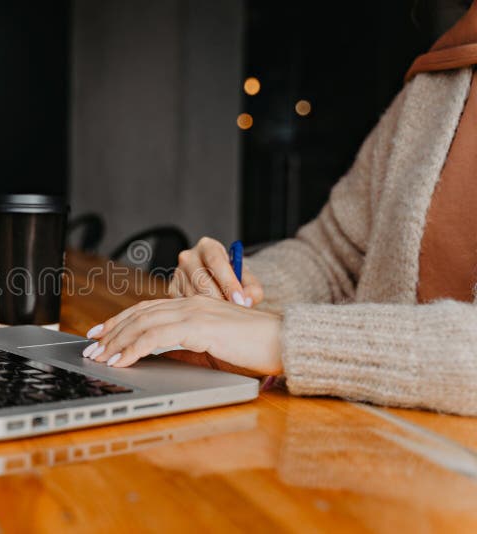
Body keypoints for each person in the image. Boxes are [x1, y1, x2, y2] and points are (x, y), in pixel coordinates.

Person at [81, 2, 477, 416]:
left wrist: (283, 339)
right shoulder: (438, 83)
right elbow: (333, 258)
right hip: (365, 440)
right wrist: (236, 297)